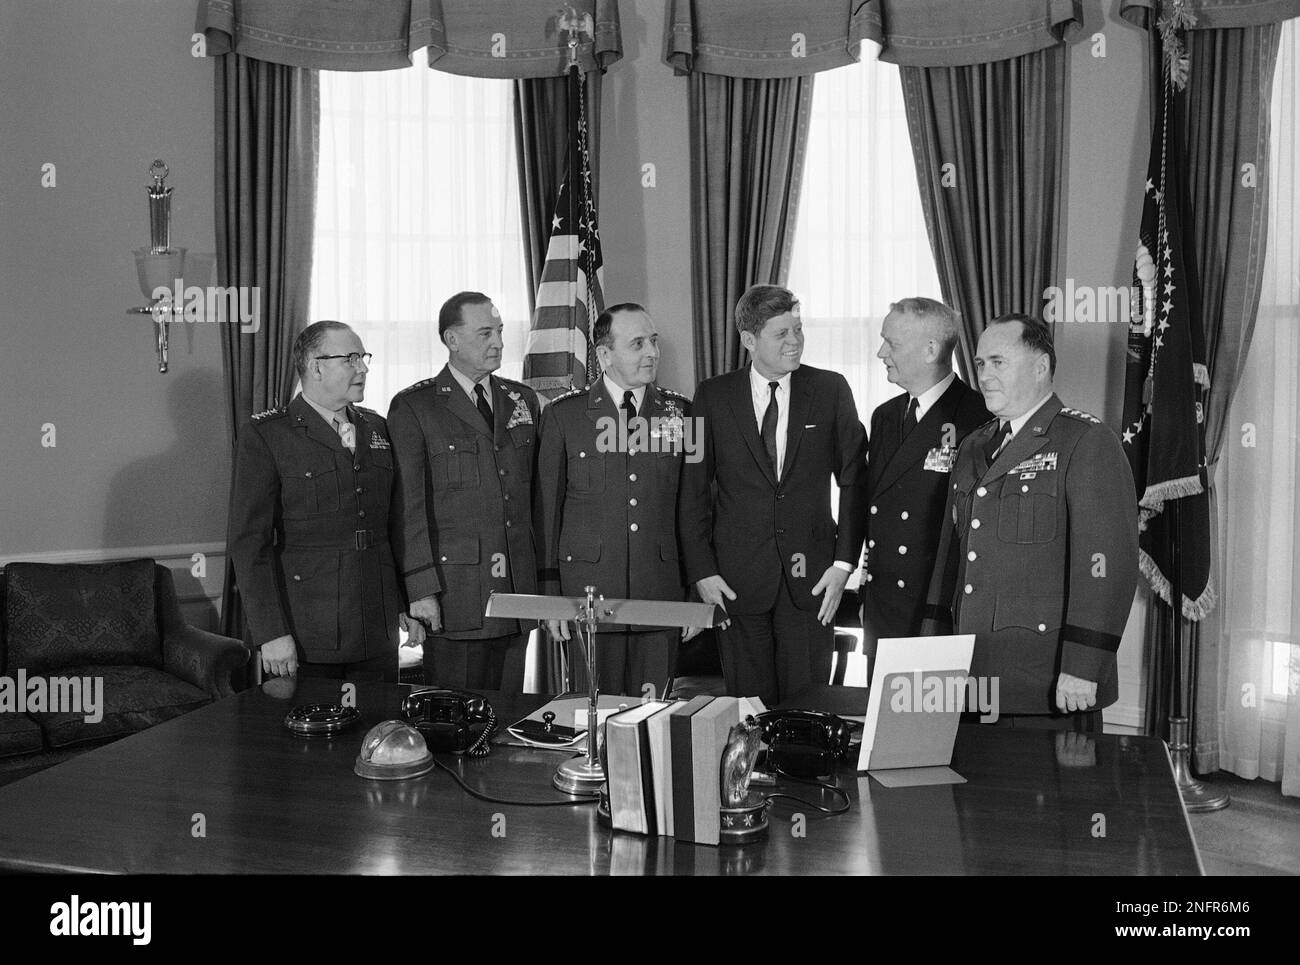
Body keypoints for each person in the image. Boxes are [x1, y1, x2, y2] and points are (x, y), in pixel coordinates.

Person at [922, 313, 1139, 730]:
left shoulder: (1086, 441)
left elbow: (1106, 567)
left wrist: (1085, 663)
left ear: (1040, 367)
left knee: (1046, 793)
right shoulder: (972, 446)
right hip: (970, 675)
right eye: (981, 363)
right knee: (970, 793)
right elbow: (949, 563)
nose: (984, 375)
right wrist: (932, 653)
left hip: (1048, 681)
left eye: (998, 362)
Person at [679, 284, 868, 705]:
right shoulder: (709, 396)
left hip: (814, 583)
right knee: (749, 712)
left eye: (798, 329)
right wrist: (702, 572)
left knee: (807, 709)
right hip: (734, 582)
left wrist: (842, 564)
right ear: (749, 340)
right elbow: (691, 492)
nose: (795, 341)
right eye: (781, 333)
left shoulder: (831, 390)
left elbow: (855, 480)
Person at [229, 320, 423, 681]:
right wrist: (270, 632)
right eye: (350, 358)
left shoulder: (376, 428)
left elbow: (391, 529)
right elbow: (248, 544)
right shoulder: (269, 435)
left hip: (375, 625)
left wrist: (403, 603)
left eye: (363, 357)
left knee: (377, 731)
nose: (363, 367)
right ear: (316, 366)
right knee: (308, 734)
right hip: (307, 630)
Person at [536, 304, 699, 698]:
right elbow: (546, 512)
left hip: (659, 590)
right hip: (588, 593)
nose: (651, 353)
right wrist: (549, 594)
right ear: (605, 355)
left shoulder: (682, 414)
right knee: (591, 715)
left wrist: (694, 592)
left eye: (654, 341)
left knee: (652, 718)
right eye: (638, 344)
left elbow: (694, 510)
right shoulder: (565, 416)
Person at [388, 292, 541, 692]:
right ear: (451, 340)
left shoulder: (521, 399)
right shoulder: (416, 407)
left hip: (517, 592)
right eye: (485, 333)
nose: (499, 343)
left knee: (506, 716)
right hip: (456, 596)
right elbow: (408, 509)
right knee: (457, 721)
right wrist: (421, 591)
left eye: (501, 332)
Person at [860, 298, 990, 651]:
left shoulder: (978, 417)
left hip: (934, 609)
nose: (881, 353)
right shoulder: (885, 416)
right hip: (882, 606)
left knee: (927, 707)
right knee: (880, 705)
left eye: (893, 343)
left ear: (931, 349)